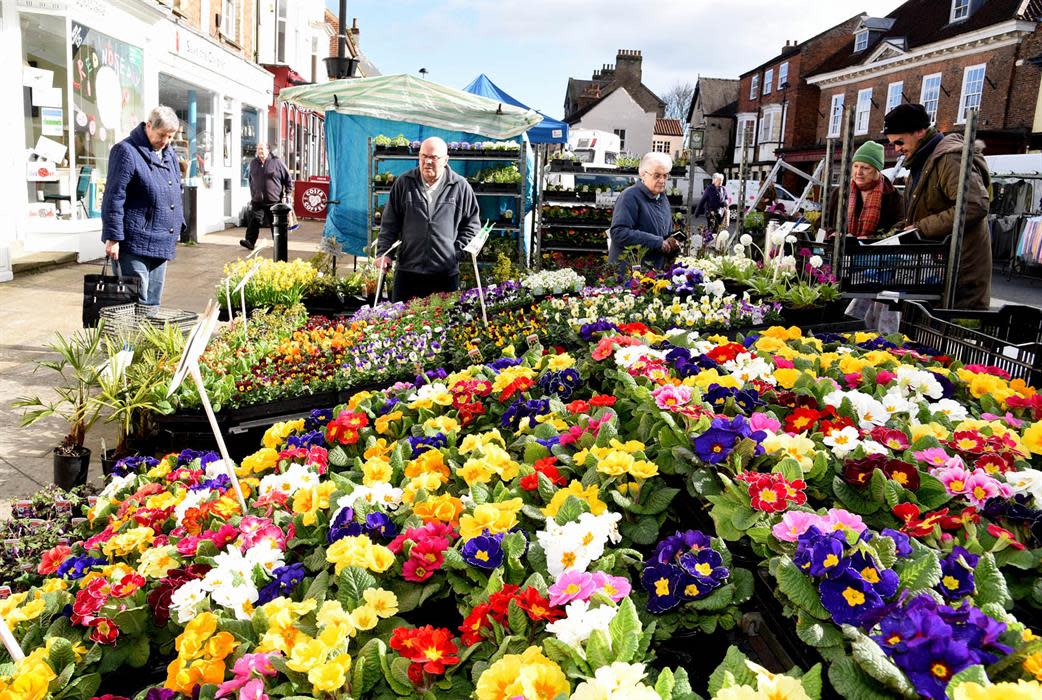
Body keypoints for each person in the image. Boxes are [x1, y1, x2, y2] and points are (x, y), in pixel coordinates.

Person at [884, 103, 991, 309]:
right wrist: (898, 229)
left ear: (920, 131)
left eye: (899, 141)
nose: (896, 149)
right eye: (892, 144)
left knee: (954, 336)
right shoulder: (920, 162)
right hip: (936, 268)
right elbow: (924, 210)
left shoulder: (950, 158)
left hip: (960, 272)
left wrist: (921, 227)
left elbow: (974, 205)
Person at [375, 137, 480, 302]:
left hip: (444, 275)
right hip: (408, 273)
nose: (427, 161)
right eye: (423, 156)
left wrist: (455, 253)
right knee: (401, 324)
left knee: (443, 325)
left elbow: (472, 226)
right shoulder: (404, 183)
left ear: (446, 160)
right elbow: (389, 224)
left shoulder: (460, 186)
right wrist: (384, 253)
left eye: (434, 157)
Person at [101, 105, 185, 308]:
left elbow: (175, 188)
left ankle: (147, 340)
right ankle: (130, 342)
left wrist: (178, 225)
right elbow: (114, 196)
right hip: (134, 242)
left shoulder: (169, 153)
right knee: (135, 303)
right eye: (162, 135)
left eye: (170, 137)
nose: (165, 141)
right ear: (148, 126)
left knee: (152, 303)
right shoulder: (125, 151)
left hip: (161, 240)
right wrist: (113, 238)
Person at [608, 152, 678, 272]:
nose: (662, 180)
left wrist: (673, 243)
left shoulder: (662, 198)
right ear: (643, 175)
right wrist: (657, 242)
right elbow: (618, 232)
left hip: (654, 271)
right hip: (630, 274)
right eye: (657, 175)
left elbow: (664, 233)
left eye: (665, 176)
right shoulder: (630, 196)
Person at [825, 140, 904, 237]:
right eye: (855, 166)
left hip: (874, 251)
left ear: (877, 170)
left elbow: (898, 229)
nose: (858, 172)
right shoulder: (840, 192)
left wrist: (871, 239)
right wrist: (831, 233)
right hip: (839, 250)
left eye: (865, 168)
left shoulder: (894, 197)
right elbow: (822, 222)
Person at [240, 143, 293, 250]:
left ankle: (279, 244)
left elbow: (287, 179)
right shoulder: (254, 163)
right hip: (257, 200)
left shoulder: (277, 162)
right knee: (254, 220)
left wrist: (288, 193)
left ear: (268, 150)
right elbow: (251, 180)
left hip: (274, 200)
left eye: (262, 149)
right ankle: (250, 241)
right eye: (258, 149)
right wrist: (254, 194)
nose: (260, 151)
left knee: (276, 223)